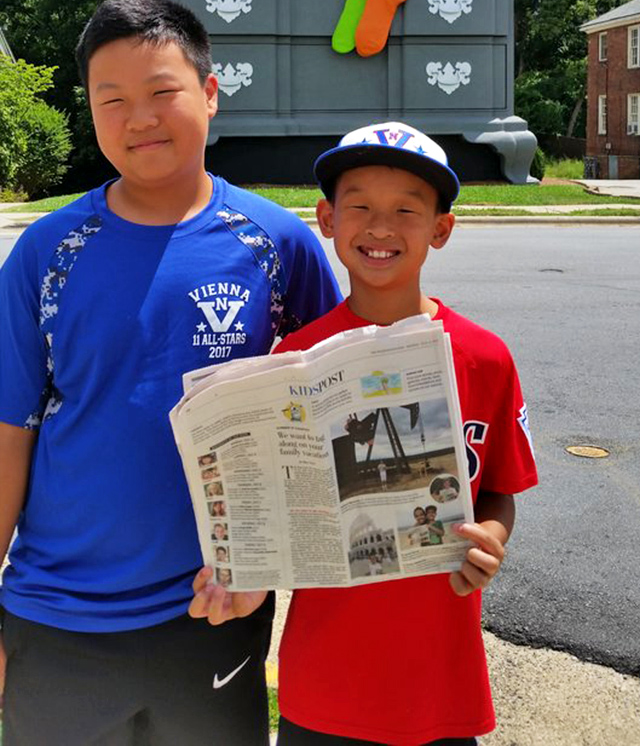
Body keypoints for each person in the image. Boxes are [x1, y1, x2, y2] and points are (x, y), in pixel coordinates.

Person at [0, 0, 340, 746]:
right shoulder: (45, 253)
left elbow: (323, 427)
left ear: (211, 94)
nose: (138, 118)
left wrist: (266, 567)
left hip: (212, 610)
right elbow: (8, 436)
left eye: (162, 92)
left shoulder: (276, 245)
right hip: (54, 617)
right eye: (111, 99)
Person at [191, 119, 538, 745]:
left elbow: (501, 490)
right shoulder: (291, 360)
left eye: (407, 210)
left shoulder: (487, 358)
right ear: (327, 219)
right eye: (360, 208)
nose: (380, 228)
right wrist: (243, 574)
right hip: (323, 685)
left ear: (441, 229)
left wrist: (490, 534)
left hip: (441, 685)